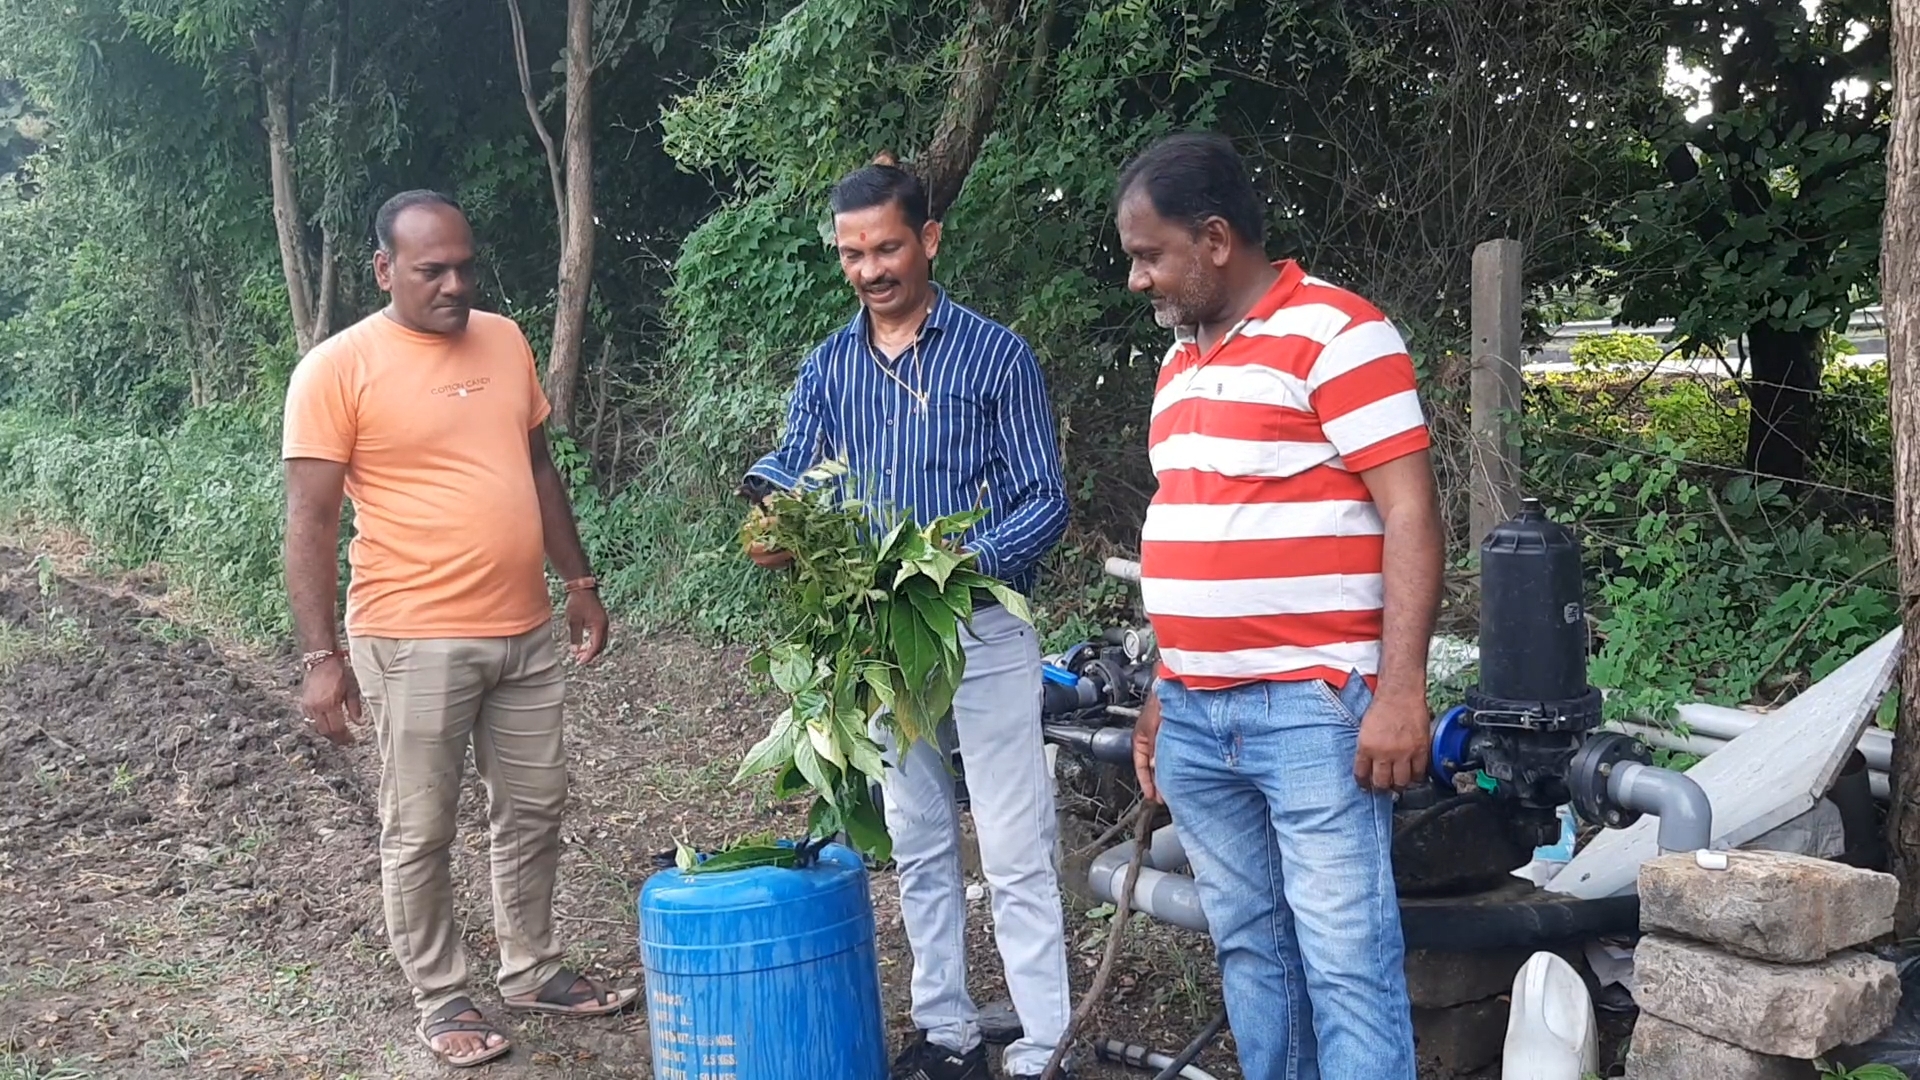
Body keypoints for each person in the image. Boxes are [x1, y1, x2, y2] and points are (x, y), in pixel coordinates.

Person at [281, 189, 637, 1069]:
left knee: (533, 807)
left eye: (463, 266)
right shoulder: (337, 368)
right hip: (410, 636)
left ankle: (532, 968)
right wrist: (322, 657)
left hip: (524, 630)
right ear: (384, 270)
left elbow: (538, 466)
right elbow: (310, 521)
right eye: (430, 269)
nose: (452, 284)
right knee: (422, 826)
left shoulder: (506, 339)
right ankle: (441, 996)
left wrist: (580, 581)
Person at [1114, 132, 1443, 1080]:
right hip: (1198, 715)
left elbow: (1412, 515)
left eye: (1150, 255)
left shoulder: (1341, 334)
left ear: (1215, 238)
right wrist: (1166, 685)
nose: (1140, 281)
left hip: (1312, 708)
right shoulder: (1180, 365)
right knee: (1255, 952)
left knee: (1346, 963)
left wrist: (1400, 692)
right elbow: (1196, 529)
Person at [741, 162, 1075, 1080]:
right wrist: (770, 517)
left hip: (983, 628)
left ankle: (1045, 1045)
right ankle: (947, 1031)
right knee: (917, 835)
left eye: (886, 246)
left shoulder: (996, 355)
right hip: (880, 641)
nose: (870, 268)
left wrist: (963, 564)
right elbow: (788, 464)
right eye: (852, 253)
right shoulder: (831, 364)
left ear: (928, 239)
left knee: (1013, 843)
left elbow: (1045, 500)